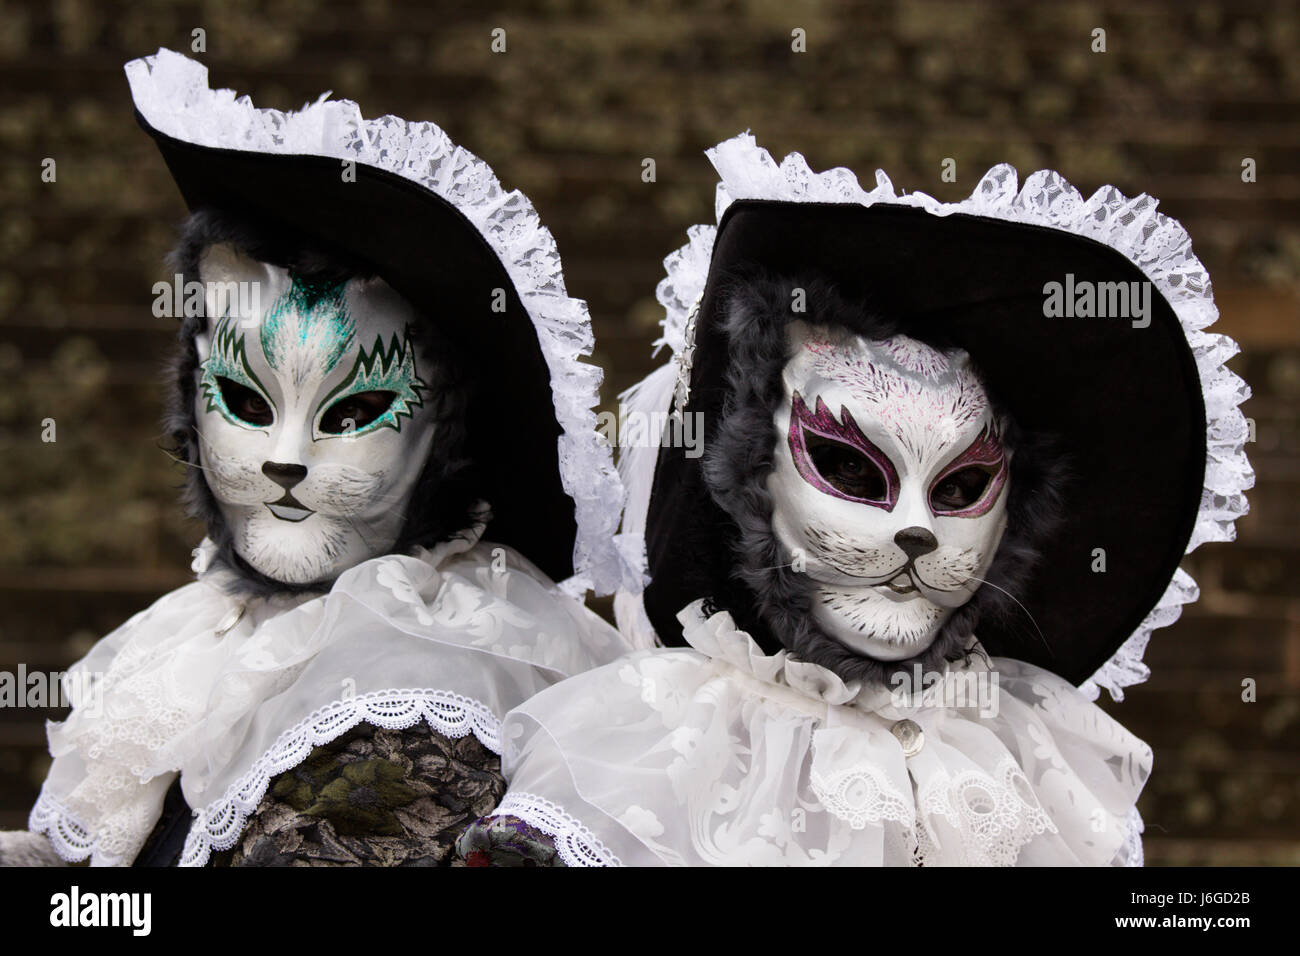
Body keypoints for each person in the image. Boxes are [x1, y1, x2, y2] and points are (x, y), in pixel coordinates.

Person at [455, 133, 1254, 866]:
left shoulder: (1028, 767)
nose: (915, 529)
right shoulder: (646, 754)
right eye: (853, 469)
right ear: (751, 479)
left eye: (963, 487)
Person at [1, 48, 637, 867]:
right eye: (245, 400)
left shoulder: (433, 679)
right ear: (192, 394)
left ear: (445, 428)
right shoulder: (197, 638)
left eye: (357, 408)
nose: (286, 458)